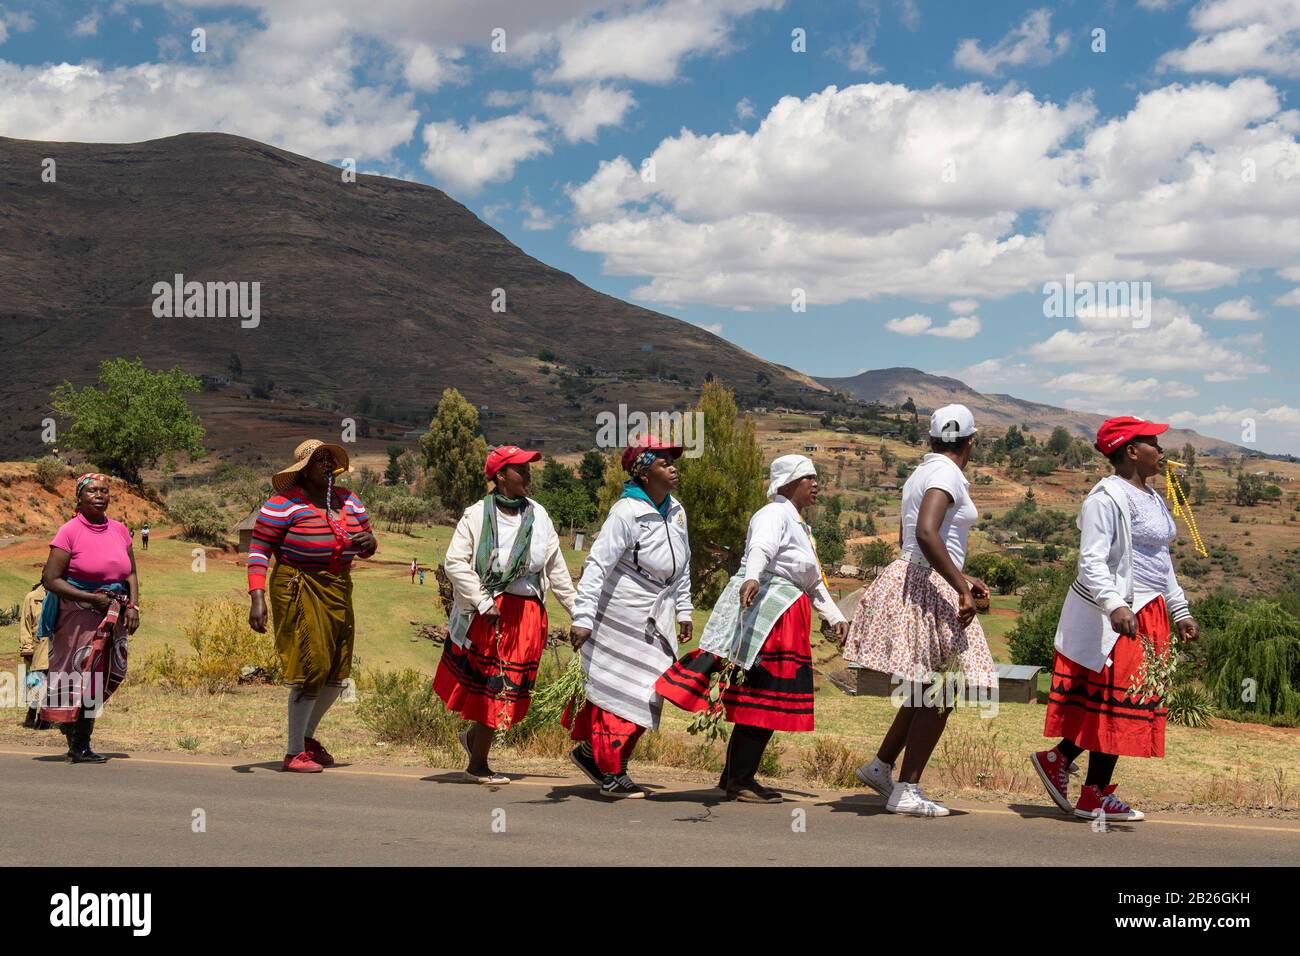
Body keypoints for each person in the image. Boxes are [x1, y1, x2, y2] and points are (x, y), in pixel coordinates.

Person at [1030, 417, 1198, 823]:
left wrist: (1179, 609)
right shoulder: (1105, 499)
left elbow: (1162, 562)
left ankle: (1063, 764)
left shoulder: (1154, 497)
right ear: (1130, 451)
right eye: (1153, 443)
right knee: (1118, 702)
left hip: (1150, 609)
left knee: (1121, 702)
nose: (1161, 451)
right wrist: (1114, 605)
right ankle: (1091, 793)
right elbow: (1091, 561)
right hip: (1123, 611)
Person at [657, 455, 848, 802]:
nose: (816, 484)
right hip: (768, 618)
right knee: (762, 698)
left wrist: (834, 617)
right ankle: (739, 779)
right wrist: (752, 578)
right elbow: (760, 548)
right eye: (809, 477)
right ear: (790, 482)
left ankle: (735, 776)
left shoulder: (800, 525)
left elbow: (813, 581)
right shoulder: (773, 514)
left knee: (764, 700)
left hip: (785, 615)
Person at [841, 405, 997, 816]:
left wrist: (965, 575)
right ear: (971, 441)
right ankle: (907, 789)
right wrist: (961, 586)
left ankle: (881, 767)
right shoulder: (946, 474)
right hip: (931, 584)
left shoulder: (921, 473)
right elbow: (928, 532)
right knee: (943, 687)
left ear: (931, 438)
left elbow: (911, 537)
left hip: (917, 576)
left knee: (925, 685)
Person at [434, 445, 577, 784]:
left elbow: (557, 570)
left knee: (509, 689)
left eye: (528, 469)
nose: (528, 475)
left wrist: (579, 614)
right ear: (500, 476)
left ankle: (473, 743)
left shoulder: (539, 517)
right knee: (497, 687)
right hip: (491, 613)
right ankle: (477, 765)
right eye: (520, 469)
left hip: (527, 616)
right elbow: (455, 562)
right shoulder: (476, 516)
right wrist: (483, 602)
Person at [566, 438, 693, 798]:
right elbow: (597, 564)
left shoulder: (676, 511)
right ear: (643, 470)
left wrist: (683, 609)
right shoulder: (626, 512)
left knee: (649, 693)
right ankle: (610, 770)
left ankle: (597, 757)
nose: (673, 467)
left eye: (673, 461)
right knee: (617, 691)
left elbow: (683, 566)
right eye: (664, 461)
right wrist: (583, 617)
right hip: (621, 616)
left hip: (658, 615)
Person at [247, 440, 378, 773]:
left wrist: (370, 543)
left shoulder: (350, 501)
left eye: (329, 459)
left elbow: (367, 543)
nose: (325, 464)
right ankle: (293, 753)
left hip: (339, 587)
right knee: (312, 666)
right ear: (302, 468)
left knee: (337, 670)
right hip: (297, 585)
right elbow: (259, 550)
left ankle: (305, 738)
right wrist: (257, 596)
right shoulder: (284, 504)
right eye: (318, 460)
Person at [39, 474, 141, 762]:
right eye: (92, 490)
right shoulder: (69, 532)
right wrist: (90, 599)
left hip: (112, 612)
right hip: (76, 613)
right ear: (79, 497)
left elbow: (131, 572)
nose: (99, 495)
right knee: (76, 675)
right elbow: (51, 579)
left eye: (104, 491)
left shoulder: (120, 530)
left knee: (104, 674)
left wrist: (133, 606)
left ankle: (75, 732)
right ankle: (79, 741)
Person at [18, 582, 50, 730]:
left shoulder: (63, 596)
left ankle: (44, 718)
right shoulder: (32, 598)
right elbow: (25, 624)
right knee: (39, 682)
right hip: (39, 647)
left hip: (57, 647)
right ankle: (32, 712)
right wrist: (27, 647)